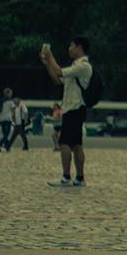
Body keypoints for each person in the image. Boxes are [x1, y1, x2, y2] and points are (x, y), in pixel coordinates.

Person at [39, 36, 94, 187]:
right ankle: (80, 178)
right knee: (76, 144)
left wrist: (50, 56)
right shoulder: (76, 66)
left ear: (80, 47)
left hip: (75, 108)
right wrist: (47, 64)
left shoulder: (83, 66)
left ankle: (66, 177)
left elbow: (59, 71)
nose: (69, 49)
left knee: (64, 143)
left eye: (71, 46)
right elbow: (58, 79)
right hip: (73, 108)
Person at [0, 87, 19, 153]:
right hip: (8, 119)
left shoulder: (1, 101)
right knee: (7, 134)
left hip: (1, 119)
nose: (11, 94)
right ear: (8, 93)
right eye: (10, 93)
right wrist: (14, 118)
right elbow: (13, 110)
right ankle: (0, 144)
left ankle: (7, 148)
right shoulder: (10, 102)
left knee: (5, 134)